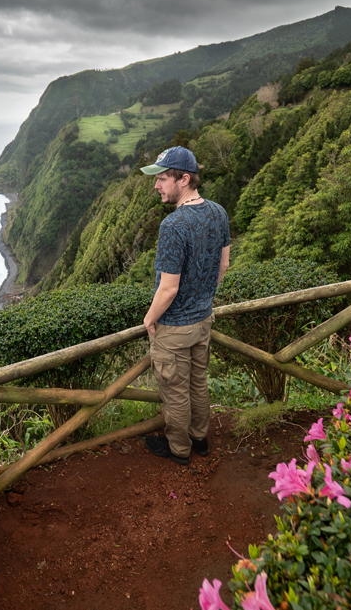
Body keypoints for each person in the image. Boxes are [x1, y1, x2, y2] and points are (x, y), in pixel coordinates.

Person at [139, 146, 230, 465]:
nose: (156, 185)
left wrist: (149, 320)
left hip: (175, 327)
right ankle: (200, 439)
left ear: (184, 179)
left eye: (162, 178)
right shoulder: (218, 212)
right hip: (203, 319)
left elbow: (168, 288)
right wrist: (203, 297)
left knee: (175, 393)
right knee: (197, 383)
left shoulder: (173, 226)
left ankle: (179, 450)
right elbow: (223, 265)